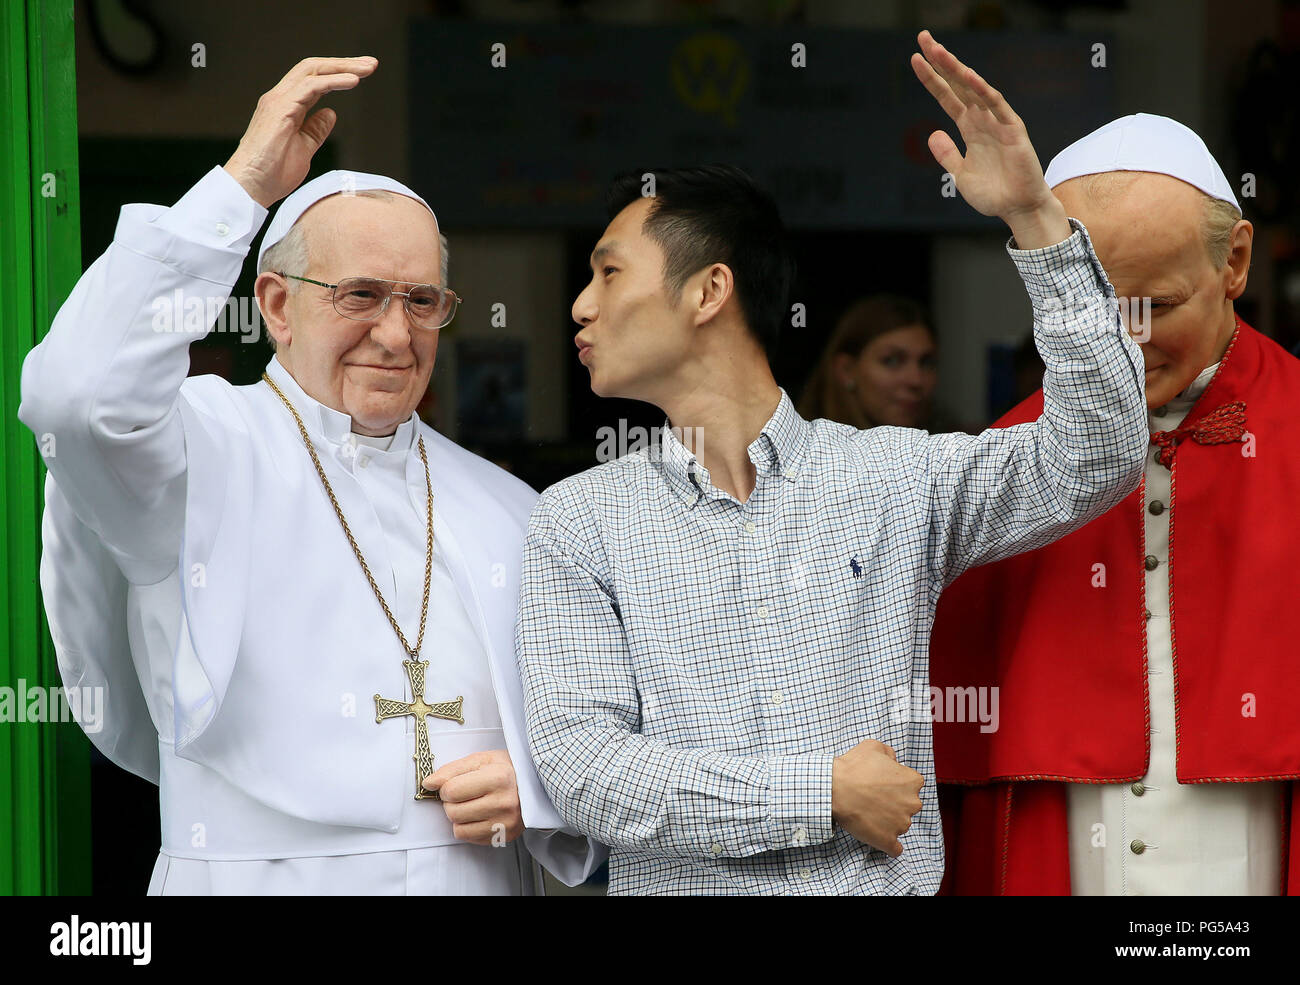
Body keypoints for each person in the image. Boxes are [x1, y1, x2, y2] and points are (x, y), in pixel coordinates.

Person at [513, 31, 1148, 895]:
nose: (581, 305)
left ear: (708, 292)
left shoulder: (892, 478)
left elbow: (1098, 453)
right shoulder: (577, 519)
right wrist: (824, 792)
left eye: (609, 271)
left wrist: (1036, 221)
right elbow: (586, 772)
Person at [20, 56, 602, 895]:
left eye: (423, 301)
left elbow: (596, 741)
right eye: (360, 294)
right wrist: (242, 186)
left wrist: (541, 793)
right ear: (277, 306)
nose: (397, 336)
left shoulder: (513, 507)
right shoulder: (191, 454)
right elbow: (74, 395)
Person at [930, 113, 1300, 895]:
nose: (1126, 342)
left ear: (1234, 263)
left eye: (1159, 307)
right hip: (1065, 850)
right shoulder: (1000, 461)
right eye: (1100, 311)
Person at [797, 295, 945, 431]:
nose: (916, 380)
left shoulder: (948, 450)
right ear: (846, 370)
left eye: (926, 363)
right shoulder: (804, 452)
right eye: (892, 361)